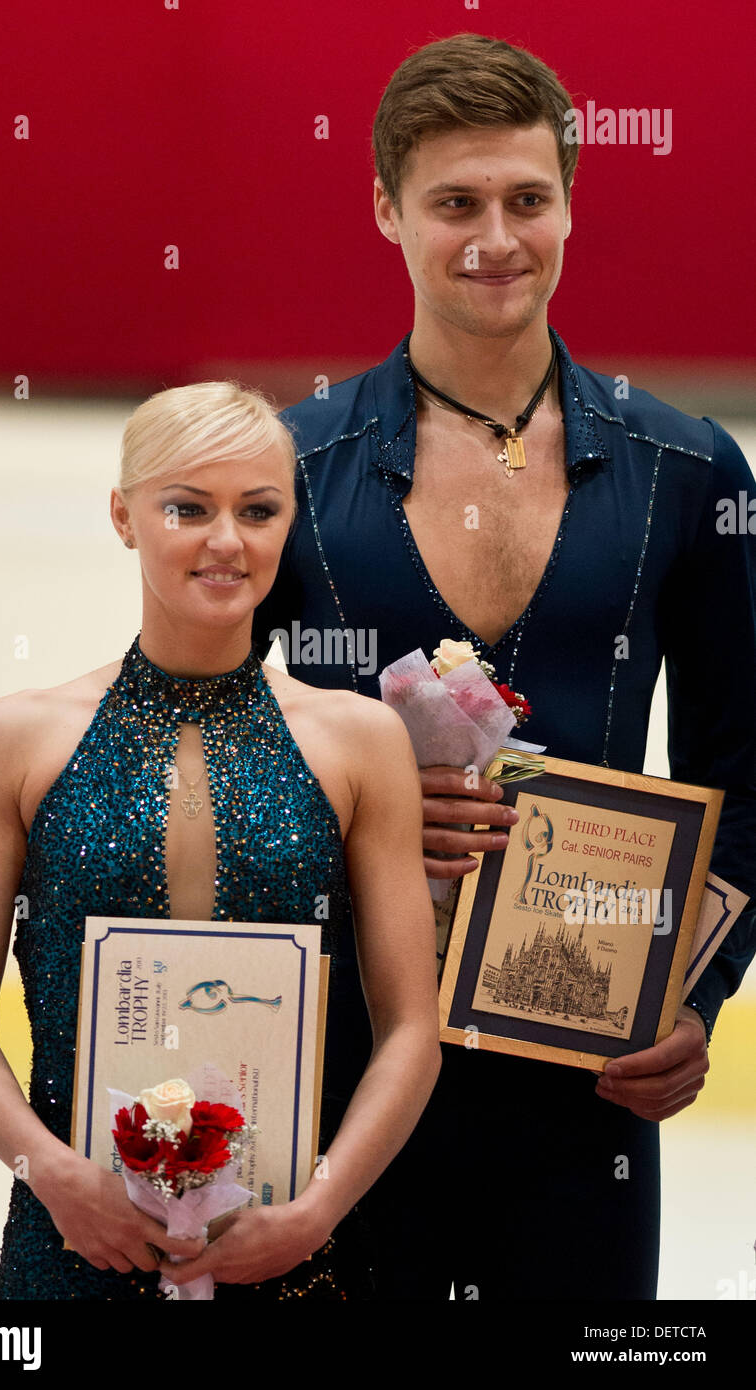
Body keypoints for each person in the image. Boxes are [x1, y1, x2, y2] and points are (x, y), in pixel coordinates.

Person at [252, 32, 756, 1299]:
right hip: (339, 1062)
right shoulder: (284, 473)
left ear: (570, 207)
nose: (495, 236)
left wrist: (696, 993)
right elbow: (197, 744)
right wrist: (347, 815)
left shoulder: (688, 473)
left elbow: (742, 759)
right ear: (385, 209)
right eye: (454, 203)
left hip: (581, 1082)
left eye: (526, 199)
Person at [0, 380, 441, 1300]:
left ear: (291, 522)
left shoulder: (361, 743)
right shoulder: (16, 738)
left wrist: (316, 1211)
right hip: (75, 1240)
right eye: (187, 508)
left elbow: (412, 1029)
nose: (225, 541)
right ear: (124, 517)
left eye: (257, 510)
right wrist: (49, 1173)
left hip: (287, 1252)